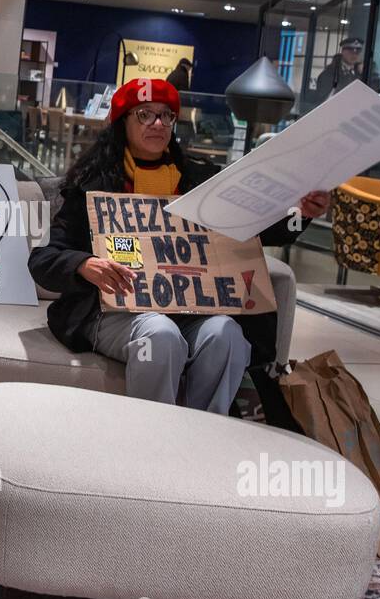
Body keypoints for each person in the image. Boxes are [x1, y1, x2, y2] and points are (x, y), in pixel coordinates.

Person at [29, 77, 330, 421]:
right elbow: (44, 259)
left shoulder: (201, 181)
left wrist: (300, 215)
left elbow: (261, 228)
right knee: (160, 334)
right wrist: (84, 265)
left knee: (226, 333)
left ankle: (203, 436)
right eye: (144, 115)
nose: (158, 123)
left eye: (166, 115)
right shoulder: (92, 186)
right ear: (122, 123)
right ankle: (153, 442)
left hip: (189, 311)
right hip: (113, 313)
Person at [312, 37, 380, 103]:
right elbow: (324, 98)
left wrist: (366, 73)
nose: (354, 55)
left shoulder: (361, 71)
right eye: (351, 52)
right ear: (343, 52)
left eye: (357, 52)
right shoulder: (330, 73)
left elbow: (375, 91)